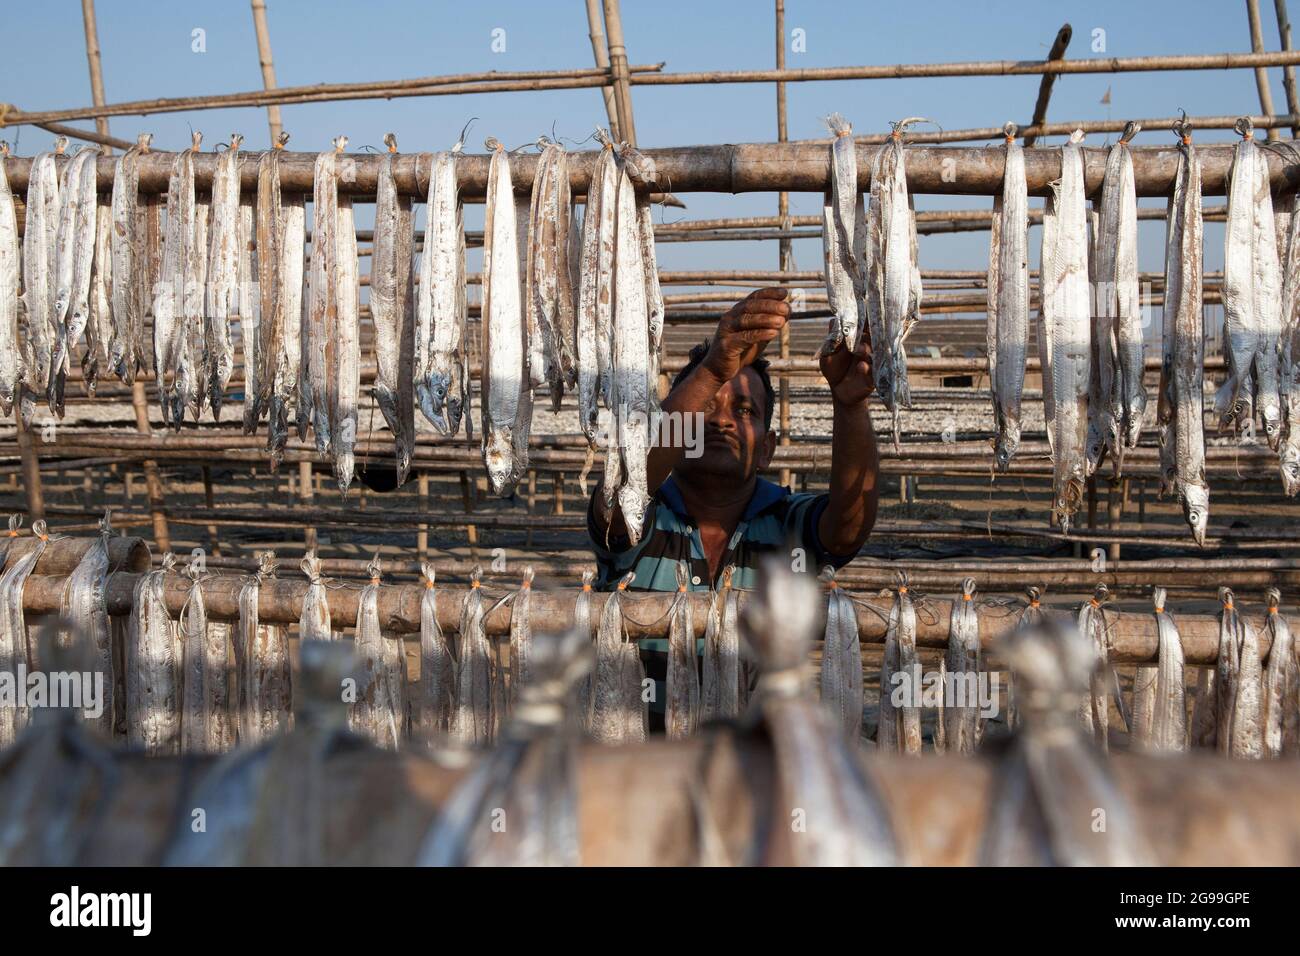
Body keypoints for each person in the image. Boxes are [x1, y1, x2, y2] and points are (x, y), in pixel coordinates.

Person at [587, 287, 880, 726]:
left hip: (752, 773)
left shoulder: (787, 525)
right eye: (706, 405)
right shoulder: (642, 517)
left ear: (767, 449)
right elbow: (617, 504)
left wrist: (851, 404)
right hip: (638, 770)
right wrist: (710, 371)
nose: (721, 420)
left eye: (744, 410)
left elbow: (847, 528)